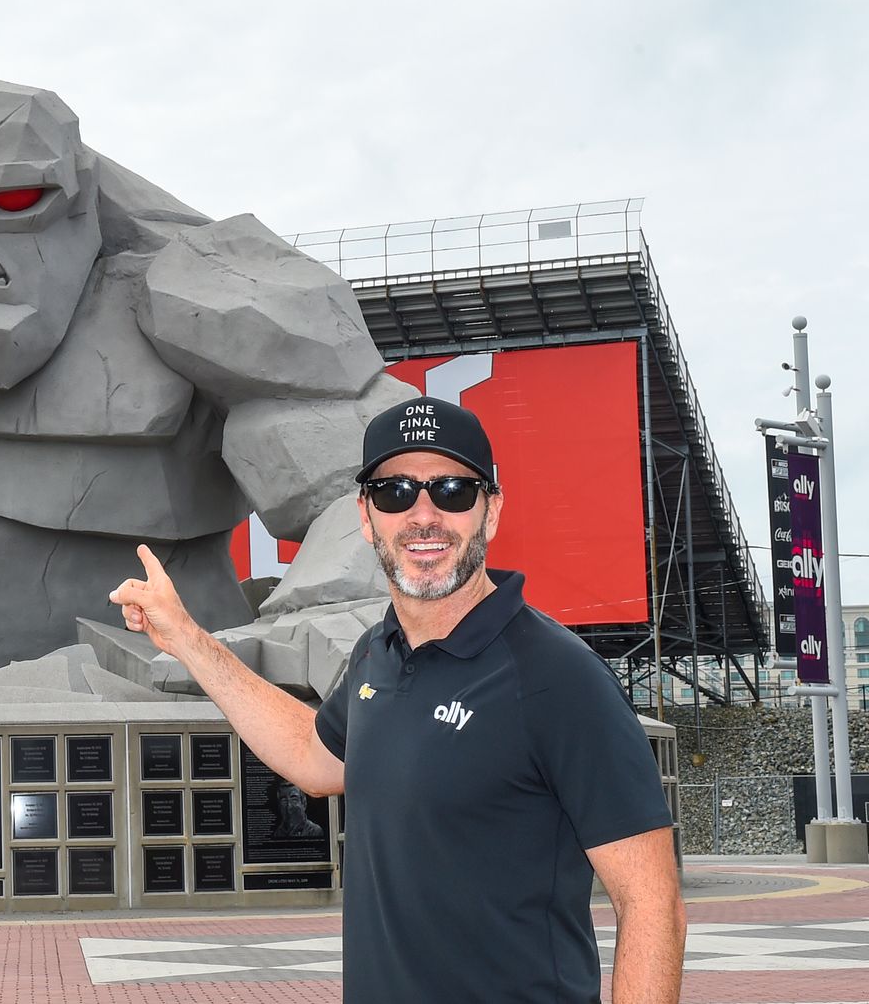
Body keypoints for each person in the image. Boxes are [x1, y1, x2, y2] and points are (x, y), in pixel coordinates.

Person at [111, 396, 685, 1004]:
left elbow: (651, 905)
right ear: (366, 517)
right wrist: (186, 639)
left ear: (490, 512)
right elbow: (312, 754)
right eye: (395, 492)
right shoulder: (374, 654)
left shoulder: (559, 677)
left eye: (453, 491)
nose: (424, 515)